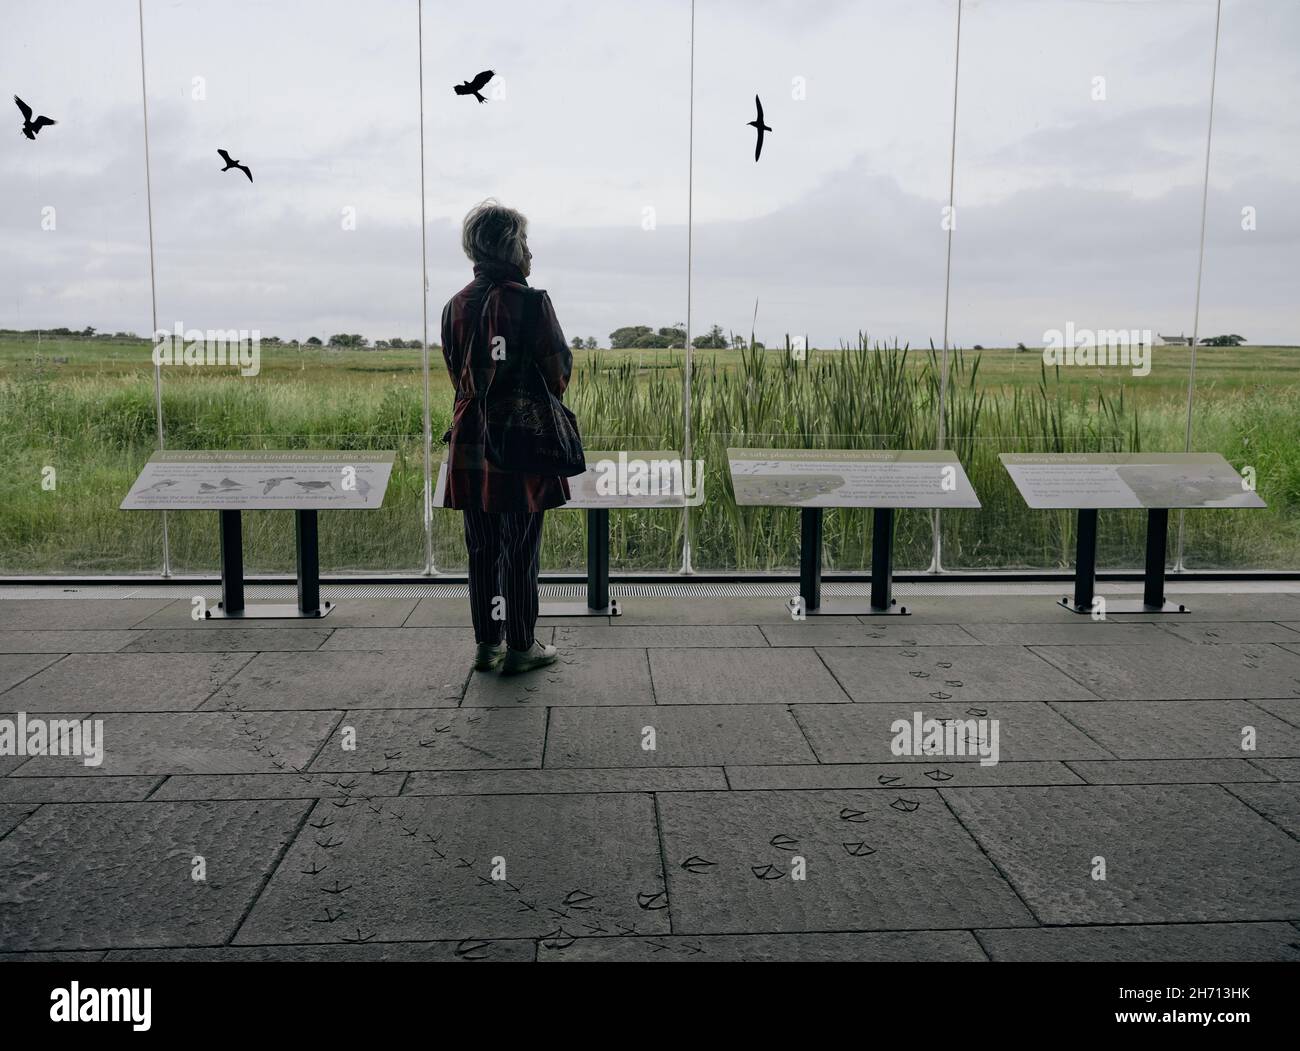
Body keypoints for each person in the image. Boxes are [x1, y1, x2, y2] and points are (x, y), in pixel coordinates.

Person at [441, 199, 574, 674]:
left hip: (470, 440)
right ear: (512, 245)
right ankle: (521, 646)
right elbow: (558, 375)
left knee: (481, 548)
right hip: (520, 443)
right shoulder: (532, 302)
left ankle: (486, 644)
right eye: (525, 240)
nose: (530, 251)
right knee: (520, 547)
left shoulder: (455, 304)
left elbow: (458, 374)